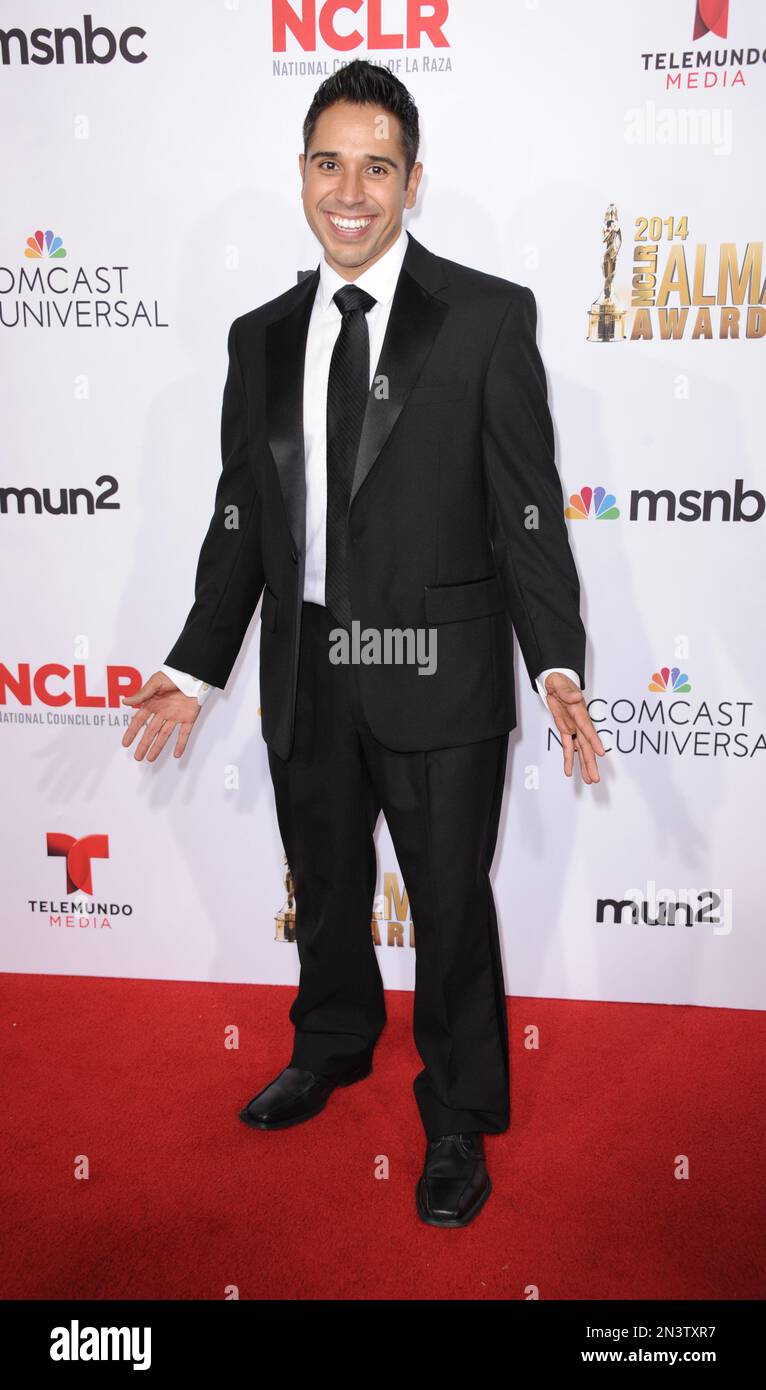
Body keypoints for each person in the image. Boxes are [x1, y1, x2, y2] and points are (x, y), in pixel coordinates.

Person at [122, 59, 606, 1228]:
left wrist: (555, 659)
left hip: (438, 669)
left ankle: (457, 1114)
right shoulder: (258, 338)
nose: (352, 190)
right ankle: (332, 1040)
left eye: (376, 167)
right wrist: (195, 661)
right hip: (310, 670)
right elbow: (240, 517)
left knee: (448, 902)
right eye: (329, 164)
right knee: (327, 883)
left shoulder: (486, 317)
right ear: (302, 175)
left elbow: (525, 505)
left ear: (412, 182)